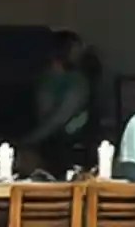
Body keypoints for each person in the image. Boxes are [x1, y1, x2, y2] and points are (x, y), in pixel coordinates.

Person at [25, 31, 91, 173]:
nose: (79, 56)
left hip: (67, 146)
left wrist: (31, 140)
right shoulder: (44, 79)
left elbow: (61, 117)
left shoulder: (78, 81)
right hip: (44, 143)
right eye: (75, 51)